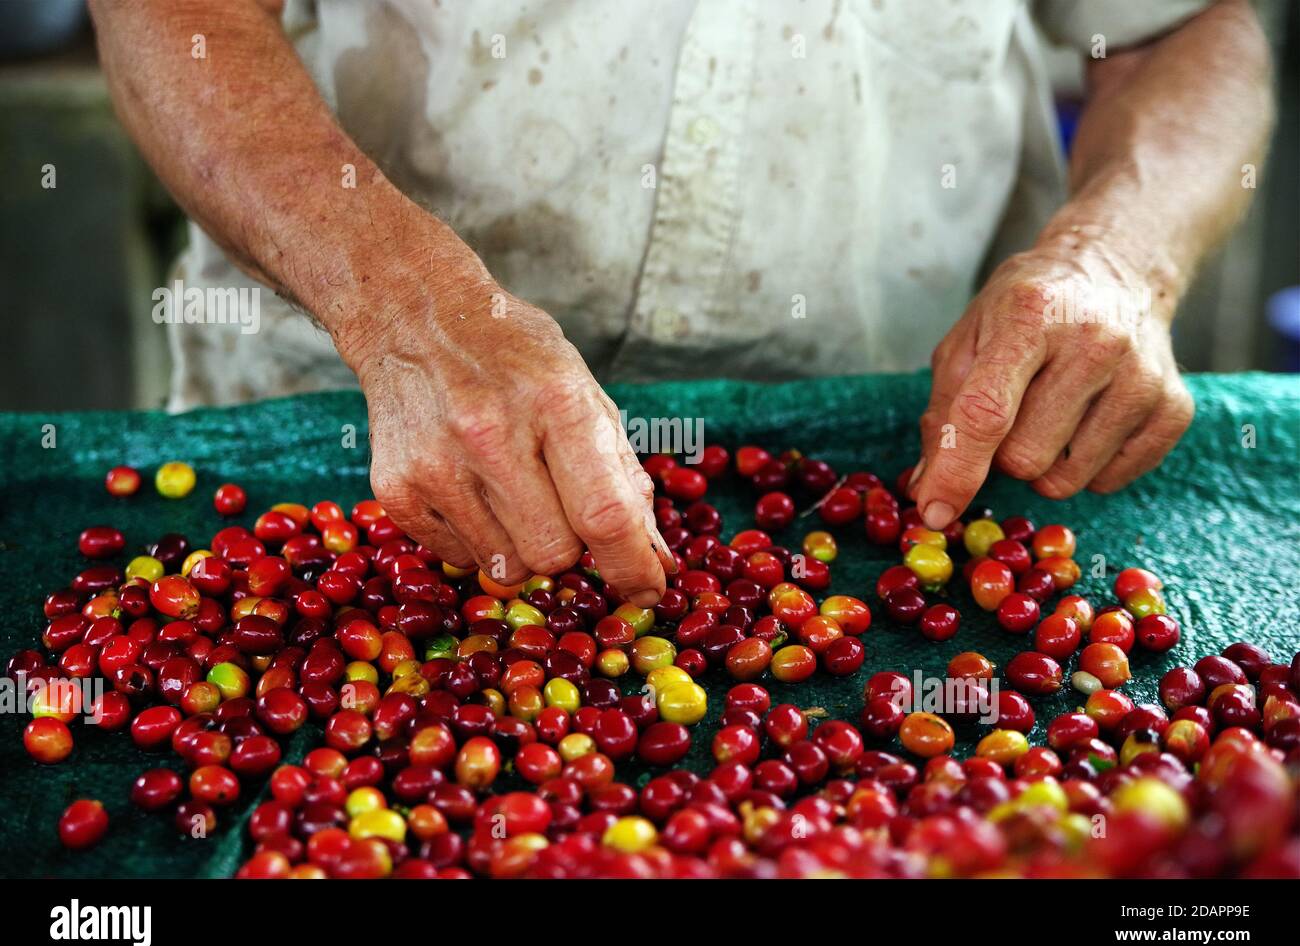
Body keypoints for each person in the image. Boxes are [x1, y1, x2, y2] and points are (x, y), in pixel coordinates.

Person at [90, 0, 1272, 606]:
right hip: (361, 405)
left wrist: (1117, 260)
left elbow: (1179, 24)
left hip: (904, 438)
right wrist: (402, 312)